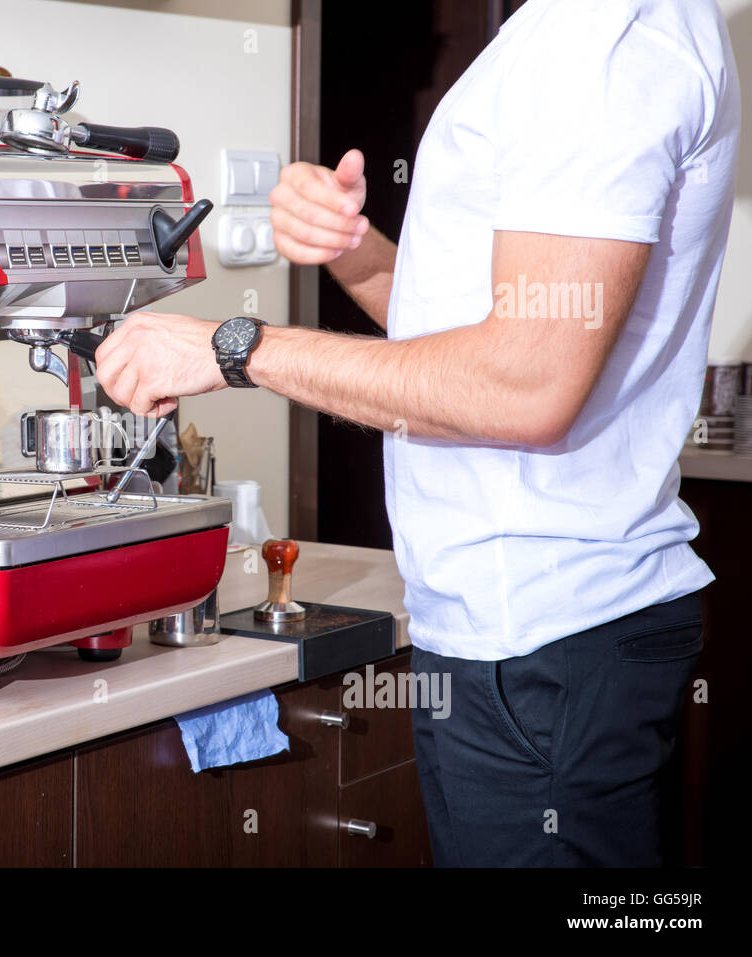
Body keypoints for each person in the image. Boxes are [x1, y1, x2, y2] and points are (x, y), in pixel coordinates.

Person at [94, 0, 740, 866]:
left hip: (544, 652)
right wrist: (354, 253)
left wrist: (236, 347)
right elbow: (489, 343)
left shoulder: (599, 41)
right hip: (527, 645)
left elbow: (525, 385)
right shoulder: (562, 34)